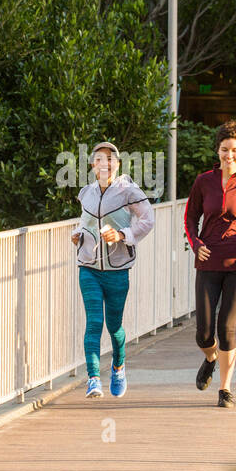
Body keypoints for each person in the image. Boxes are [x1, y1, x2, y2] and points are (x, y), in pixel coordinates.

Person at [183, 120, 236, 408]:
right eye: (224, 149)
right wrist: (195, 244)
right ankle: (210, 358)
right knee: (204, 332)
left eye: (234, 150)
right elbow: (189, 218)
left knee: (226, 328)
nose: (228, 155)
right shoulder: (203, 182)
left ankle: (225, 389)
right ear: (217, 151)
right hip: (208, 262)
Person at [71, 141, 155, 399]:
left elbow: (148, 220)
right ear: (93, 164)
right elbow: (84, 222)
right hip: (89, 267)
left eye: (109, 159)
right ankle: (93, 378)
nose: (104, 163)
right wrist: (78, 235)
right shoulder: (86, 192)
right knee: (94, 322)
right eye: (99, 159)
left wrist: (122, 234)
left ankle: (118, 367)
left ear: (117, 163)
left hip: (118, 269)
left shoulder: (129, 190)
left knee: (114, 325)